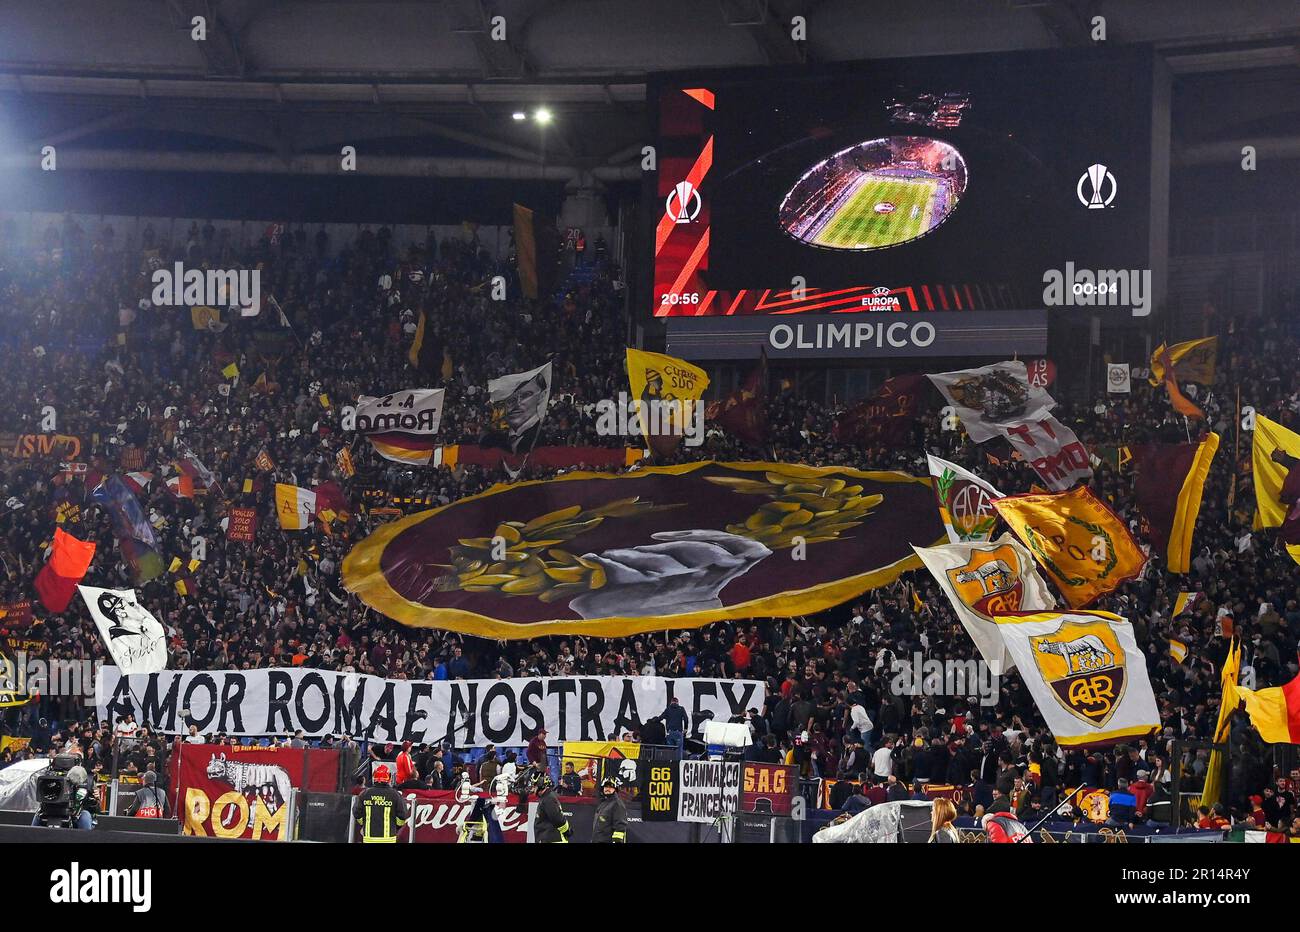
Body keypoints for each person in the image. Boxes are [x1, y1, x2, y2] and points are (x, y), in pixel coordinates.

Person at [354, 764, 409, 844]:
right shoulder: (395, 795)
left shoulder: (364, 794)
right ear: (389, 778)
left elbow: (357, 812)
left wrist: (364, 822)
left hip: (369, 839)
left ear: (374, 778)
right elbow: (402, 815)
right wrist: (395, 826)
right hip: (389, 839)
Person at [532, 772, 570, 843]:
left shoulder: (548, 799)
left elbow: (558, 819)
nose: (533, 788)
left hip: (553, 839)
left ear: (540, 785)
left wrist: (566, 831)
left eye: (534, 785)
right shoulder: (546, 798)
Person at [591, 777, 628, 843]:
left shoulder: (617, 804)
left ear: (615, 789)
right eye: (606, 787)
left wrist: (617, 841)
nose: (607, 789)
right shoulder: (603, 803)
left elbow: (620, 827)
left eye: (610, 787)